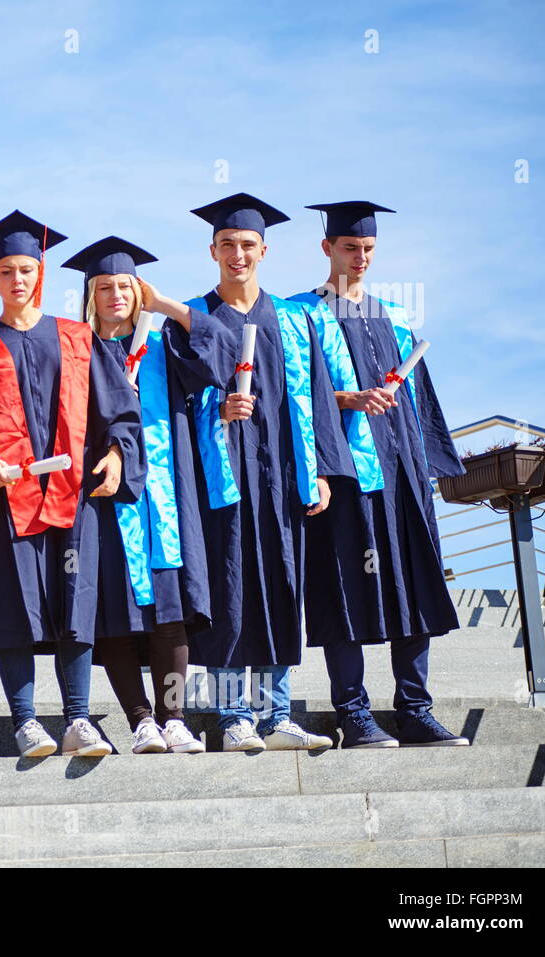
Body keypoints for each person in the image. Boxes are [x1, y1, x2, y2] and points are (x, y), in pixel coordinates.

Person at [162, 192, 355, 753]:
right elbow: (177, 398)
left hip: (281, 477)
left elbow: (319, 398)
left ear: (264, 250)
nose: (238, 254)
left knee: (280, 587)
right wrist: (217, 408)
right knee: (229, 591)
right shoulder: (191, 322)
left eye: (248, 245)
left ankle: (276, 714)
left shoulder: (293, 320)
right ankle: (232, 715)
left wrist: (321, 471)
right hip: (222, 481)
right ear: (213, 249)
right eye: (228, 245)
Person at [0, 212, 144, 759]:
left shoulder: (78, 338)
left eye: (28, 269)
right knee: (10, 601)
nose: (19, 279)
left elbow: (121, 411)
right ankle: (25, 722)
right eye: (8, 271)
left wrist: (116, 454)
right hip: (4, 498)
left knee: (75, 599)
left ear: (41, 273)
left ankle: (79, 720)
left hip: (75, 494)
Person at [290, 201, 469, 748]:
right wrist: (347, 398)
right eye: (350, 247)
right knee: (345, 589)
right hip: (345, 473)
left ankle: (415, 710)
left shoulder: (394, 313)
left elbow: (423, 401)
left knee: (415, 586)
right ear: (327, 248)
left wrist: (430, 468)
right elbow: (296, 395)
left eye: (368, 249)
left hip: (403, 473)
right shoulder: (300, 313)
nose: (361, 257)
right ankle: (353, 713)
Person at [62, 236, 208, 755]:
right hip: (104, 494)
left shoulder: (163, 344)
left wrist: (164, 304)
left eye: (125, 285)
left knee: (169, 608)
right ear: (90, 294)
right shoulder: (76, 346)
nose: (116, 294)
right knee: (116, 609)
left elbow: (221, 353)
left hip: (164, 492)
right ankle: (141, 720)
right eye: (105, 287)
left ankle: (174, 720)